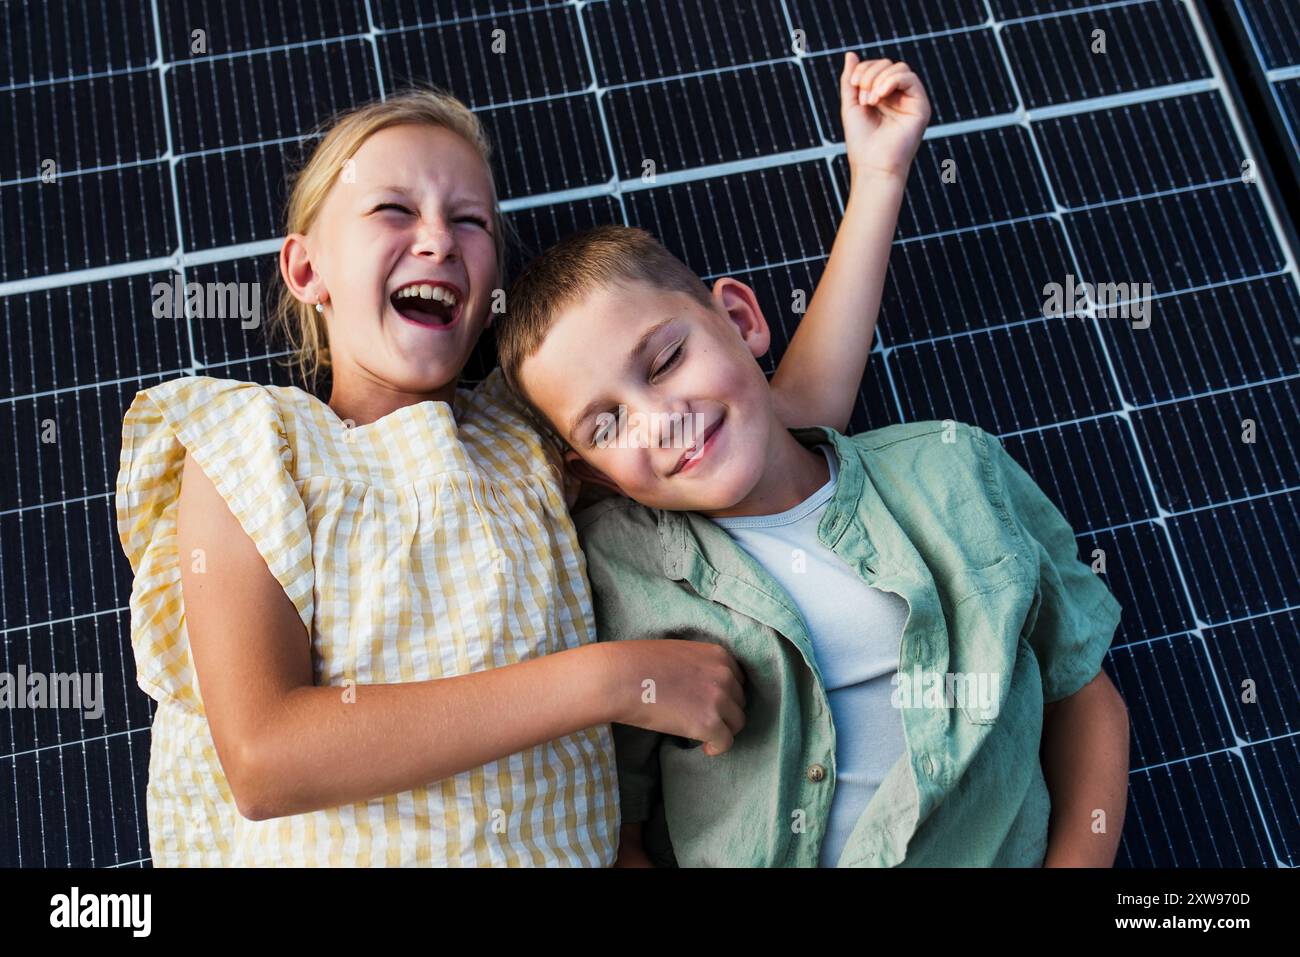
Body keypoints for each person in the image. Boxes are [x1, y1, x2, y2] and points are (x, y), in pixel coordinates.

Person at [114, 53, 903, 866]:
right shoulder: (252, 443)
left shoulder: (527, 442)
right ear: (307, 267)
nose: (437, 240)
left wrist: (877, 179)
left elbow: (779, 423)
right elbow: (265, 758)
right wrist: (607, 680)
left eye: (472, 223)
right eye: (393, 210)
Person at [496, 88, 1129, 868]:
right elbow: (618, 824)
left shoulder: (952, 468)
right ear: (592, 473)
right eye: (606, 424)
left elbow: (1082, 693)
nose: (661, 421)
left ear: (741, 319)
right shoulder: (618, 572)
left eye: (665, 360)